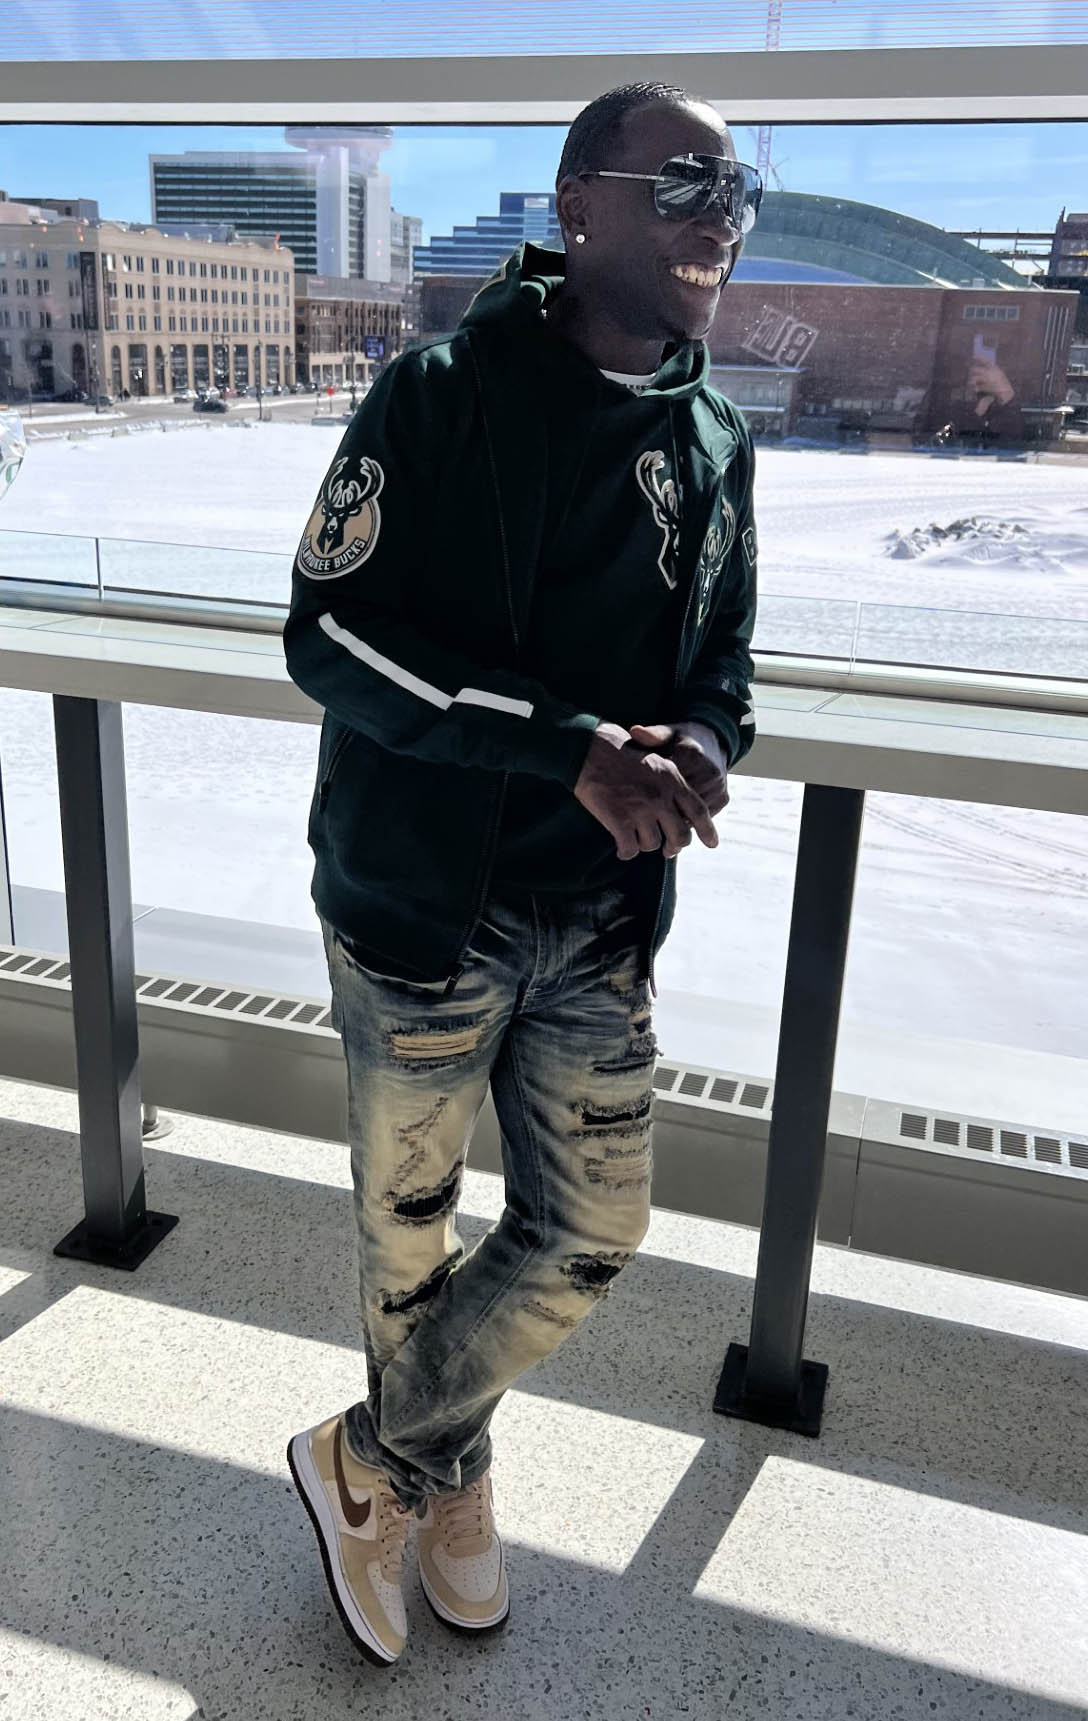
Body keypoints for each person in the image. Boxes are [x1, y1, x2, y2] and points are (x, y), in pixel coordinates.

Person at [282, 81, 762, 1667]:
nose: (719, 217)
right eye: (684, 183)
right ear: (579, 205)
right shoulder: (437, 396)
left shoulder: (715, 438)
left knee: (595, 1224)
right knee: (407, 1236)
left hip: (601, 923)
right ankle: (452, 1476)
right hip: (425, 908)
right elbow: (328, 635)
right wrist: (563, 747)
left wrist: (704, 743)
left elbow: (727, 666)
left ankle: (378, 1457)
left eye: (737, 191)